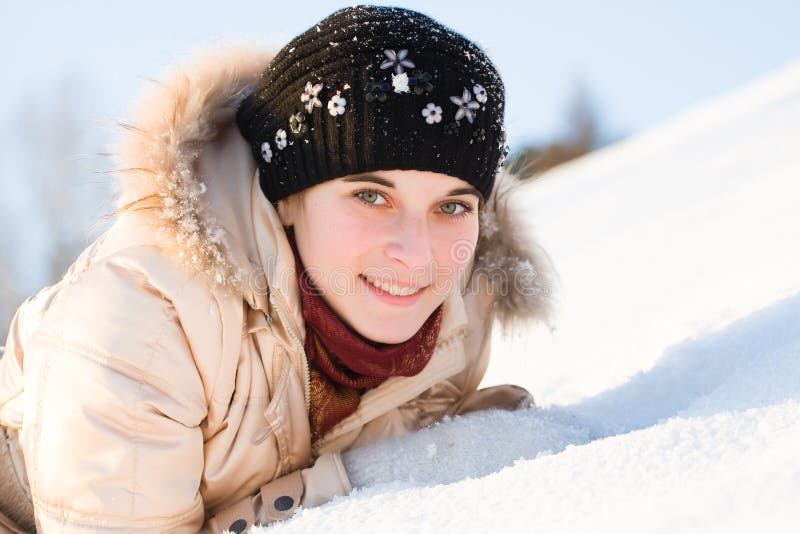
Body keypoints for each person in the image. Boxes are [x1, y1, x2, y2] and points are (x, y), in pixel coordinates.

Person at [0, 5, 554, 532]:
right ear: (287, 196)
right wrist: (366, 480)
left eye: (452, 207)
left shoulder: (458, 321)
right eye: (370, 196)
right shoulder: (148, 317)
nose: (416, 255)